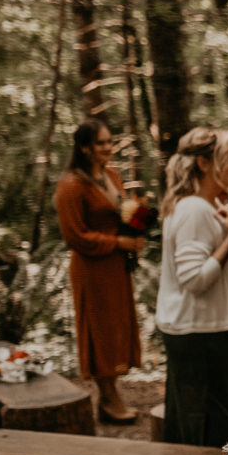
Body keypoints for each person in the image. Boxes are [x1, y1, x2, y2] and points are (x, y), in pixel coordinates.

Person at [155, 127, 228, 446]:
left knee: (199, 427)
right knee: (208, 434)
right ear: (205, 165)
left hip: (202, 330)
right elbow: (194, 279)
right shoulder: (193, 209)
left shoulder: (200, 206)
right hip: (201, 336)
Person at [54, 119, 143, 423]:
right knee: (100, 328)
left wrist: (138, 227)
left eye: (110, 141)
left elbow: (121, 213)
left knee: (117, 325)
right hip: (92, 267)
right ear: (84, 147)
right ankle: (107, 397)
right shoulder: (71, 185)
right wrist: (119, 241)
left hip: (117, 265)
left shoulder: (112, 175)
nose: (108, 147)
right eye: (101, 143)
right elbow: (74, 236)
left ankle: (112, 388)